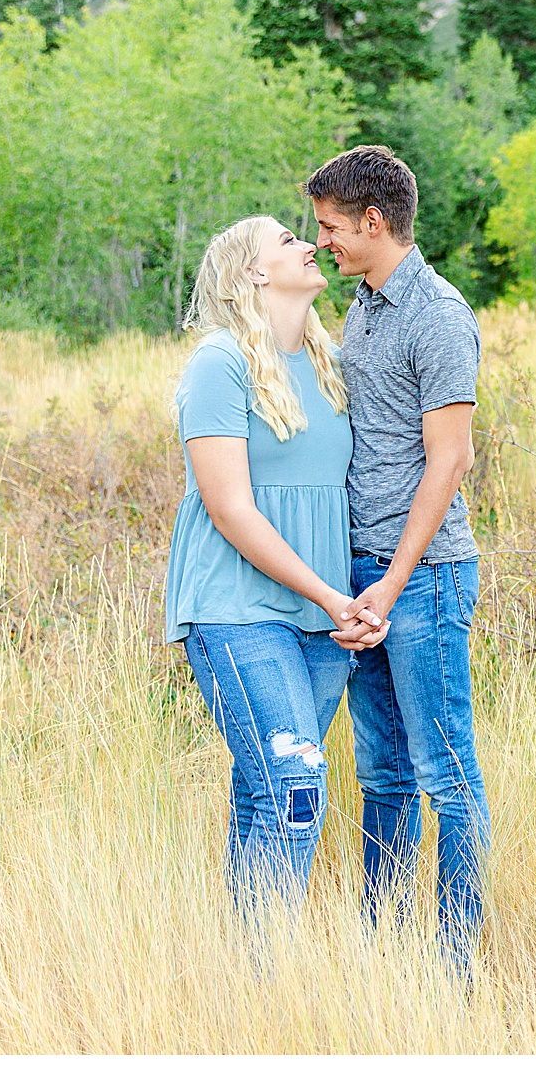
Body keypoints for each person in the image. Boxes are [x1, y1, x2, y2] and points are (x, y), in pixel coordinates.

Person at [163, 215, 387, 922]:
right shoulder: (218, 363)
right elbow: (230, 509)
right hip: (238, 610)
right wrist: (329, 595)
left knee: (265, 791)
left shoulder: (329, 364)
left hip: (324, 622)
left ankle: (245, 967)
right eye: (289, 240)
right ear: (253, 273)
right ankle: (269, 963)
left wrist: (361, 595)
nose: (310, 244)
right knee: (296, 786)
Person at [309, 145, 491, 973]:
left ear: (374, 222)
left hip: (422, 580)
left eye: (331, 228)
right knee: (381, 774)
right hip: (363, 580)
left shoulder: (439, 315)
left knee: (445, 774)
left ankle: (453, 965)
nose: (323, 243)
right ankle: (382, 950)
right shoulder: (364, 306)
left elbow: (449, 460)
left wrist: (392, 581)